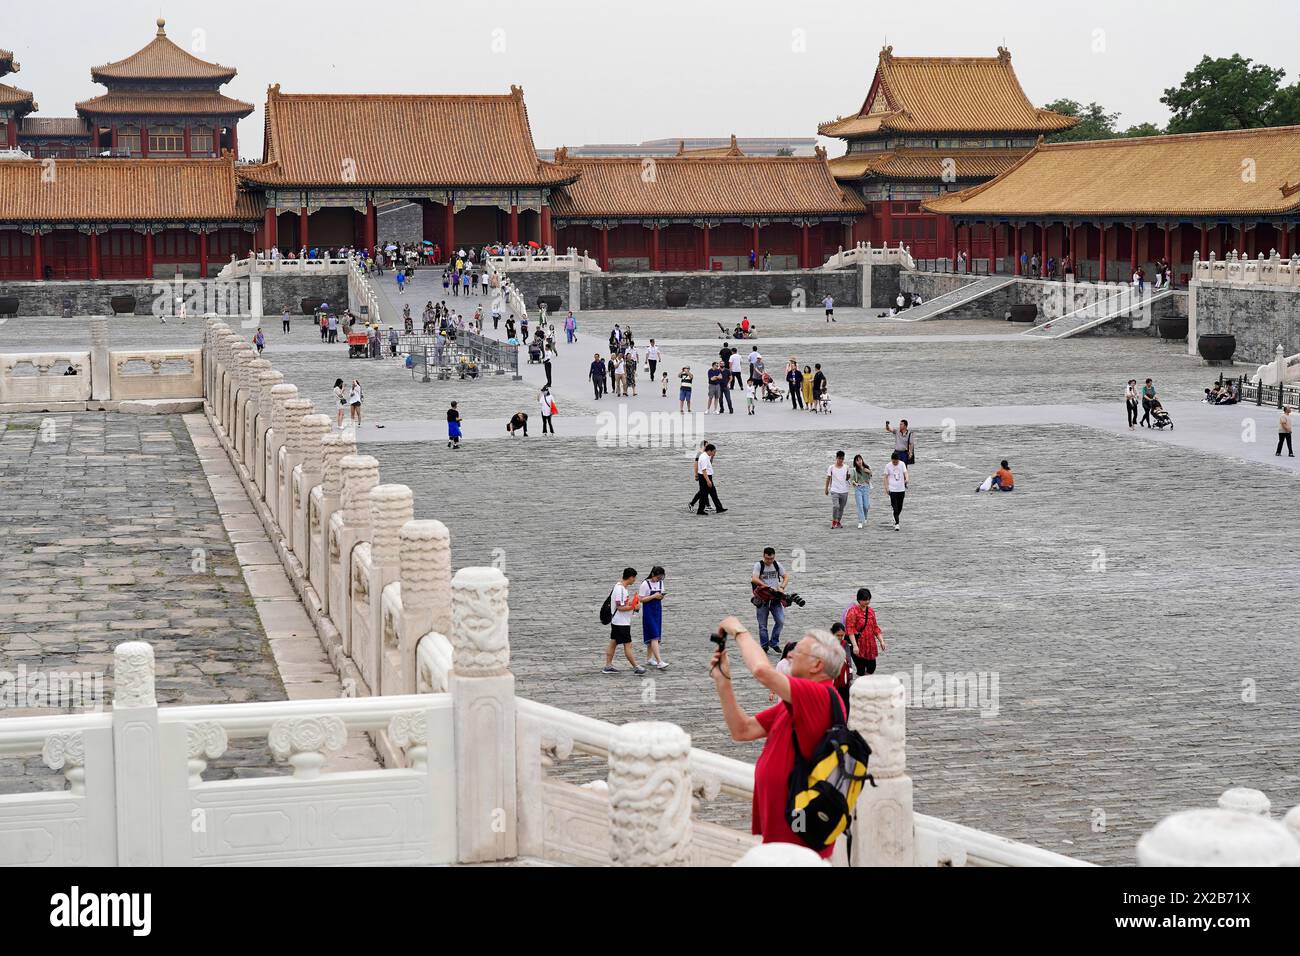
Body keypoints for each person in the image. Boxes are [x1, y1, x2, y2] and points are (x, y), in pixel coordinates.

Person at [708, 615, 843, 858]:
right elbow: (742, 730)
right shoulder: (795, 702)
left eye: (798, 652)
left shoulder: (819, 697)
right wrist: (723, 681)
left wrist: (738, 631)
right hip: (778, 836)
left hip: (796, 843)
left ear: (817, 665)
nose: (790, 655)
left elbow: (762, 671)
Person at [602, 568, 646, 675]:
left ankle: (608, 666)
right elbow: (620, 607)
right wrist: (633, 606)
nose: (634, 580)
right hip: (621, 623)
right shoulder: (620, 589)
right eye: (634, 578)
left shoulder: (620, 587)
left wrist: (632, 601)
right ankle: (636, 667)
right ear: (631, 577)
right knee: (628, 644)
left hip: (618, 621)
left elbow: (622, 603)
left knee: (613, 642)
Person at [750, 547, 789, 651]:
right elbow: (754, 578)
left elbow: (786, 576)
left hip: (775, 598)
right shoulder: (759, 565)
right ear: (763, 556)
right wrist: (766, 587)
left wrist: (782, 587)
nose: (769, 561)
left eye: (771, 558)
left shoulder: (777, 564)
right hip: (762, 599)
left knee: (780, 621)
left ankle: (774, 642)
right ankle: (764, 646)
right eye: (767, 558)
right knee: (762, 625)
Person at [844, 588, 884, 676]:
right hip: (858, 643)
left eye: (868, 599)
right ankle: (861, 685)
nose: (867, 601)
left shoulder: (871, 611)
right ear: (859, 600)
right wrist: (855, 646)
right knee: (861, 668)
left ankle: (865, 683)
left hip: (869, 644)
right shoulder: (852, 612)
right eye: (864, 599)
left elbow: (875, 627)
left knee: (871, 667)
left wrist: (881, 640)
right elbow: (850, 629)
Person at [639, 566, 668, 669]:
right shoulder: (645, 584)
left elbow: (660, 595)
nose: (659, 579)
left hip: (657, 611)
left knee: (654, 635)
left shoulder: (660, 583)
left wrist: (660, 596)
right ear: (652, 574)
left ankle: (649, 658)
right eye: (657, 577)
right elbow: (641, 599)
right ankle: (660, 661)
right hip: (648, 613)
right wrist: (653, 596)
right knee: (654, 636)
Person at [695, 443, 725, 515]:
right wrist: (708, 481)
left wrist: (712, 456)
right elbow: (704, 470)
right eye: (714, 452)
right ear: (710, 450)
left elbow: (709, 465)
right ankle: (700, 511)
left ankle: (719, 508)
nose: (715, 453)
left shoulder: (706, 456)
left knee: (713, 494)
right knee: (703, 495)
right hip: (705, 477)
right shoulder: (704, 457)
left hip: (707, 477)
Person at [824, 450, 851, 529]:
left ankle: (838, 521)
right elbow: (828, 478)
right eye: (839, 458)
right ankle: (834, 521)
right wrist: (826, 489)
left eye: (842, 459)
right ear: (836, 458)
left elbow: (848, 478)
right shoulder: (831, 467)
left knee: (841, 508)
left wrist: (849, 477)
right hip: (834, 490)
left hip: (844, 490)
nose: (841, 460)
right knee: (836, 506)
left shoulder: (846, 467)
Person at [885, 451, 908, 530]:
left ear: (898, 460)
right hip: (892, 489)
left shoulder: (902, 464)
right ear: (891, 460)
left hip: (901, 489)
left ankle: (895, 518)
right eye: (893, 461)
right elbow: (885, 477)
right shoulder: (888, 466)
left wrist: (907, 479)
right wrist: (886, 488)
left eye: (896, 461)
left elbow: (906, 473)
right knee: (895, 507)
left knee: (900, 507)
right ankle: (897, 523)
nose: (895, 463)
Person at [850, 455, 872, 529]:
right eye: (857, 460)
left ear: (862, 460)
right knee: (860, 505)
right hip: (858, 488)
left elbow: (869, 477)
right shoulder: (854, 470)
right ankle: (860, 521)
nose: (859, 461)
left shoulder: (866, 468)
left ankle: (865, 517)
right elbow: (852, 479)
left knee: (866, 506)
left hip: (866, 488)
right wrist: (854, 483)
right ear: (855, 462)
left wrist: (869, 472)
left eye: (860, 460)